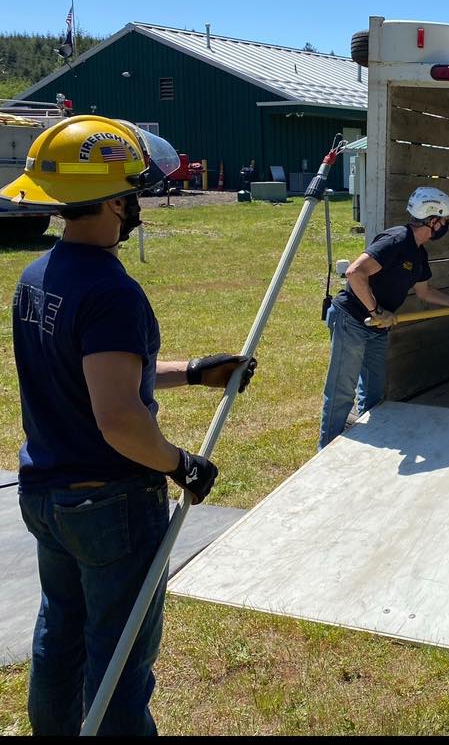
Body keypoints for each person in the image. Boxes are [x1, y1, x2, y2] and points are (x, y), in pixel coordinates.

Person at [1, 116, 258, 736]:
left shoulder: (38, 277)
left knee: (59, 638)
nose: (139, 202)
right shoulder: (111, 292)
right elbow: (118, 418)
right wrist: (180, 465)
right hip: (109, 504)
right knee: (118, 659)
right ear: (115, 200)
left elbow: (99, 378)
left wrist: (194, 372)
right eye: (136, 191)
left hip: (48, 495)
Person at [318, 186, 449, 450]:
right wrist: (377, 311)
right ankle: (324, 454)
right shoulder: (396, 240)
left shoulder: (419, 253)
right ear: (432, 219)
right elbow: (356, 273)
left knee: (374, 393)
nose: (446, 225)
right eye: (445, 220)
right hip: (353, 320)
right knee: (341, 391)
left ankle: (370, 445)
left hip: (377, 328)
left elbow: (425, 292)